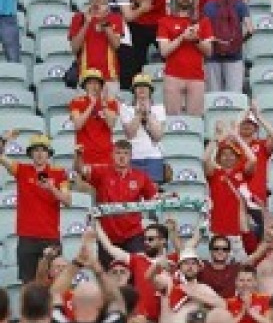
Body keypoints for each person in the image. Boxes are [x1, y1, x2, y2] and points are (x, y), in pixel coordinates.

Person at [0, 133, 72, 283]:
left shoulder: (59, 174)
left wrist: (51, 188)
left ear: (49, 153)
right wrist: (4, 140)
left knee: (55, 283)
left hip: (51, 237)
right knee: (28, 283)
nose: (40, 154)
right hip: (27, 237)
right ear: (30, 153)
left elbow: (68, 201)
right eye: (36, 150)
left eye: (43, 150)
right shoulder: (21, 170)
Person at [76, 140, 159, 263]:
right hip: (107, 235)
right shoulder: (102, 172)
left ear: (131, 156)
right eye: (118, 153)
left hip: (133, 234)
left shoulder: (141, 176)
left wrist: (164, 197)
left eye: (125, 153)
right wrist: (78, 155)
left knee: (138, 269)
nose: (122, 157)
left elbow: (153, 199)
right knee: (108, 275)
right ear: (112, 155)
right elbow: (81, 169)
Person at [157, 0, 214, 116]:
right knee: (172, 121)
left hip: (196, 77)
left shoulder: (204, 21)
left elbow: (209, 52)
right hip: (172, 76)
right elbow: (164, 51)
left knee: (195, 120)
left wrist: (195, 39)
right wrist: (182, 37)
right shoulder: (165, 21)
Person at [70, 0, 125, 93]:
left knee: (109, 108)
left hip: (109, 78)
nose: (97, 0)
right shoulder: (78, 18)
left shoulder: (115, 18)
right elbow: (74, 48)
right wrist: (87, 23)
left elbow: (116, 45)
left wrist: (105, 22)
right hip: (86, 78)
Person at [202, 0, 253, 92]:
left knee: (214, 98)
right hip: (235, 57)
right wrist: (237, 42)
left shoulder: (208, 6)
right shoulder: (241, 5)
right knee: (234, 98)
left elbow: (204, 33)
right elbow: (250, 30)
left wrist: (217, 41)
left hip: (213, 57)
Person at [70, 69, 120, 167]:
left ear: (101, 86)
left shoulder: (111, 102)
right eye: (90, 83)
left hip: (106, 157)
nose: (94, 86)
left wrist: (103, 104)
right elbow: (77, 125)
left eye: (97, 83)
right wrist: (91, 104)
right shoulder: (76, 102)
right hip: (84, 156)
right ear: (85, 86)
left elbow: (111, 124)